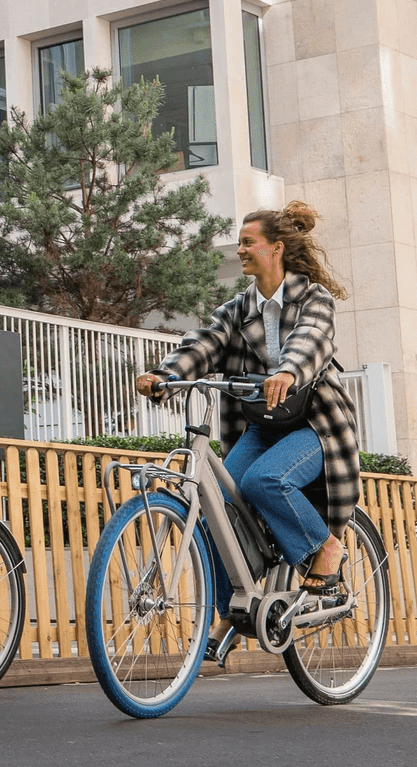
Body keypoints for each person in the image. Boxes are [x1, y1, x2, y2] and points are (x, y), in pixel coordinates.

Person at [134, 200, 361, 654]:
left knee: (263, 480)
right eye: (238, 242)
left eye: (247, 242)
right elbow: (205, 343)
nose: (239, 250)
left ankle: (325, 547)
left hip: (315, 426)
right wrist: (166, 375)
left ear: (275, 249)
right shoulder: (238, 309)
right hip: (262, 426)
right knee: (217, 507)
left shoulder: (312, 298)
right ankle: (233, 612)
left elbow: (311, 340)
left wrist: (288, 371)